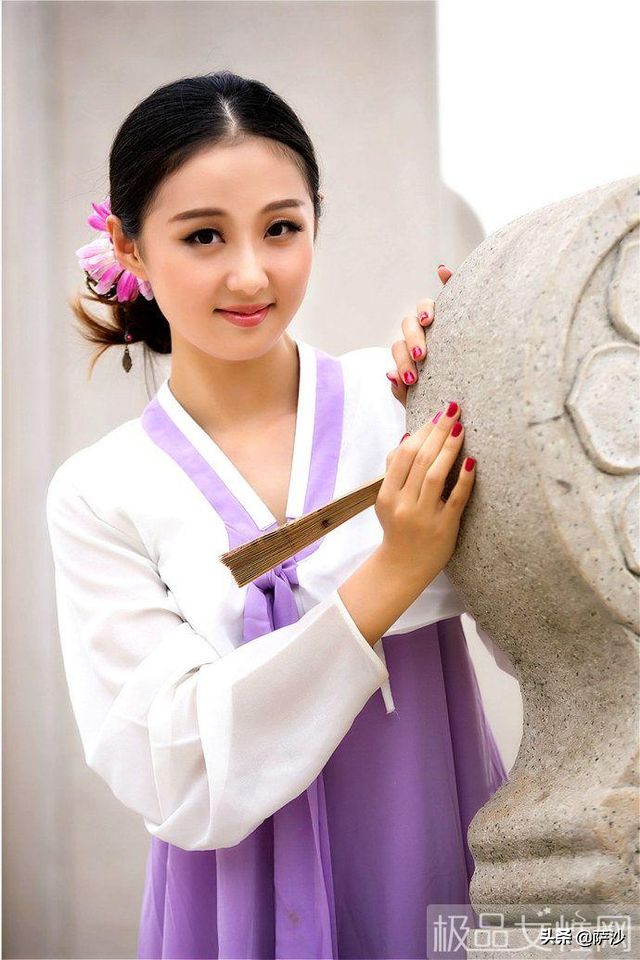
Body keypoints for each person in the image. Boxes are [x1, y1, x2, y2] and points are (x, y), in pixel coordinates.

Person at [45, 70, 517, 960]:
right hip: (229, 919)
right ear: (129, 248)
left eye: (281, 228)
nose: (251, 273)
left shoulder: (402, 400)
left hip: (433, 875)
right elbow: (177, 769)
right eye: (203, 235)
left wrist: (501, 375)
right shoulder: (100, 493)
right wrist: (392, 572)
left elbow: (549, 609)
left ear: (316, 220)